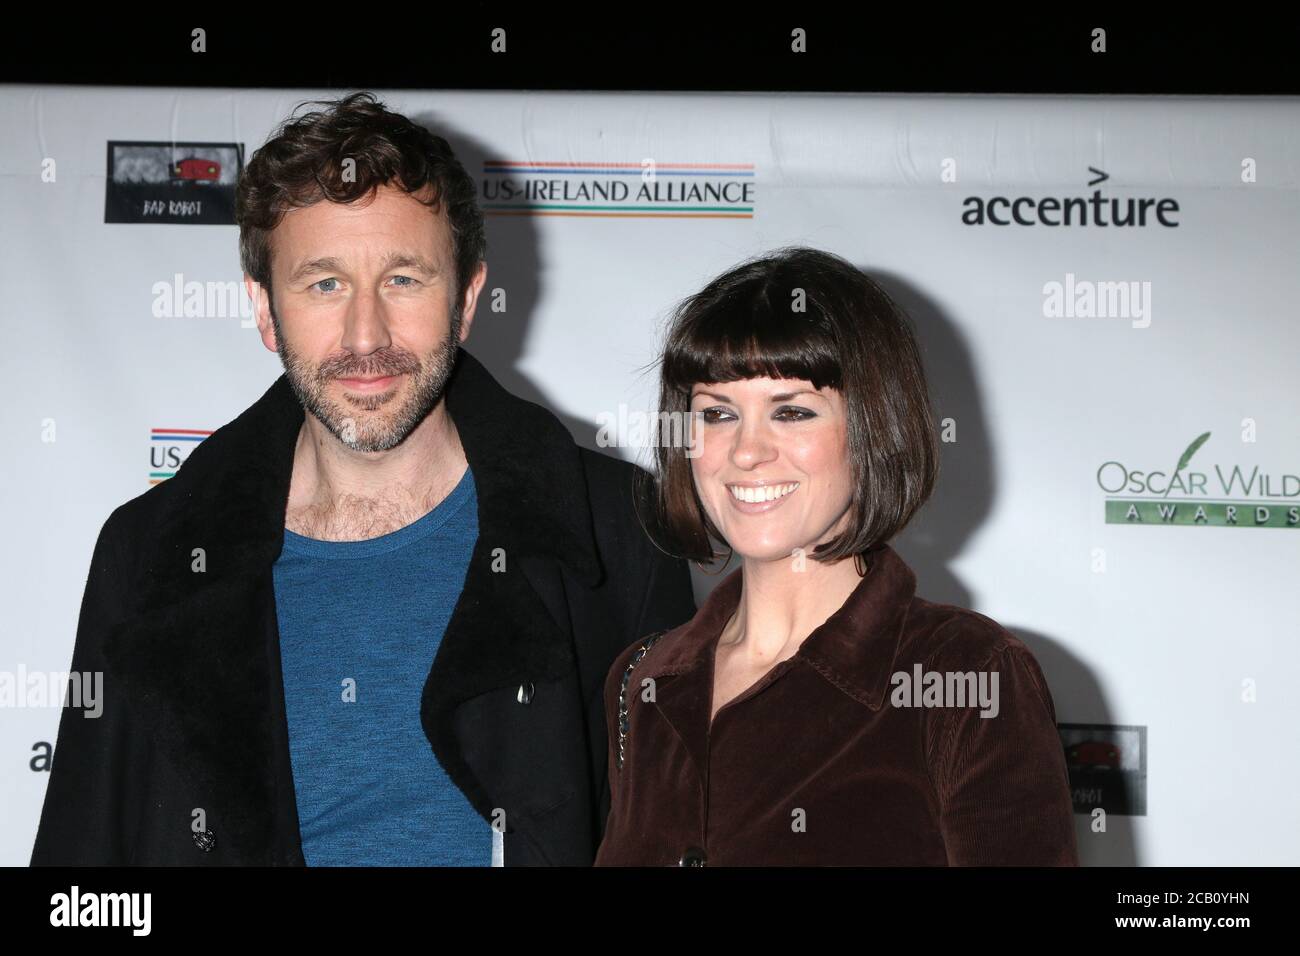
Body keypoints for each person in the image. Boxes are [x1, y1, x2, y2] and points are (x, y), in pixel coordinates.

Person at [30, 91, 695, 866]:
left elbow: (673, 833)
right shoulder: (149, 554)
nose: (366, 335)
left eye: (404, 280)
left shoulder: (616, 531)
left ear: (468, 298)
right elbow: (80, 869)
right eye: (324, 284)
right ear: (264, 310)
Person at [595, 247, 1078, 866]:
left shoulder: (966, 675)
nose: (746, 452)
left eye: (792, 412)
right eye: (717, 414)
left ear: (875, 428)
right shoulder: (643, 679)